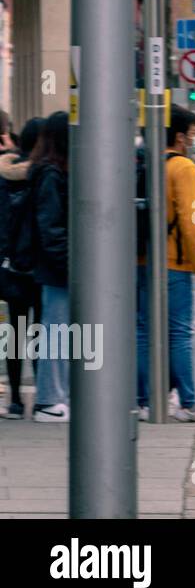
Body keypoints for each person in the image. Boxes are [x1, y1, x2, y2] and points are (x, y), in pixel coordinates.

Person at [136, 105, 195, 423]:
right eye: (193, 134)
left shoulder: (147, 162)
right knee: (179, 334)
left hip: (142, 260)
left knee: (143, 332)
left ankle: (143, 401)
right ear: (179, 136)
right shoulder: (183, 168)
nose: (194, 140)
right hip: (175, 263)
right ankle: (189, 403)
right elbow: (192, 220)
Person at [0, 117, 45, 419]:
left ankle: (15, 399)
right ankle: (44, 396)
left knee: (15, 333)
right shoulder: (45, 174)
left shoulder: (4, 174)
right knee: (42, 331)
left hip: (12, 265)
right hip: (40, 266)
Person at [29, 113, 69, 423]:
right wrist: (69, 265)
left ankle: (59, 397)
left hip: (57, 267)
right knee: (56, 334)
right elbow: (50, 228)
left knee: (65, 335)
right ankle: (48, 401)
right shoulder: (51, 174)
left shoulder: (52, 171)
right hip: (57, 269)